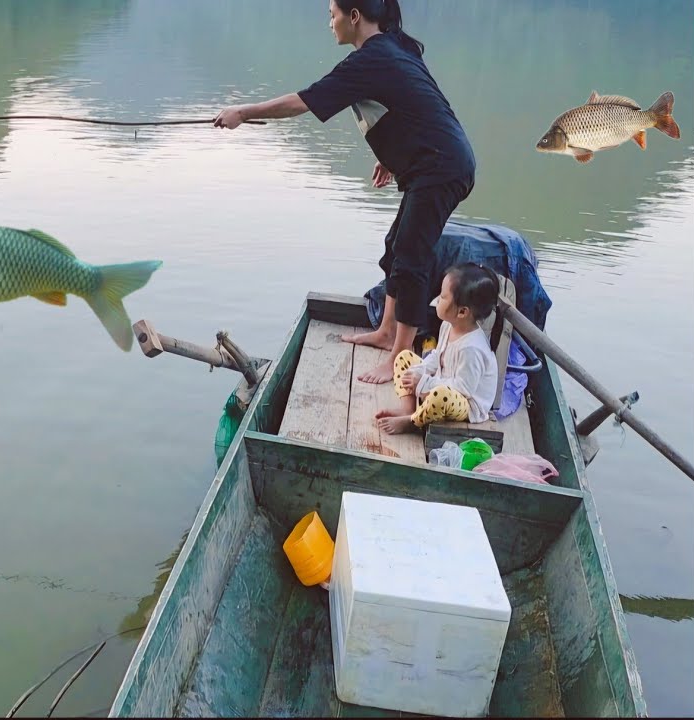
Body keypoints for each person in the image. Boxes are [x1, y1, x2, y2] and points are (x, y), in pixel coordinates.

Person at [213, 0, 477, 383]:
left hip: (441, 167)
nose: (330, 22)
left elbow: (300, 102)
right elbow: (413, 104)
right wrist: (390, 156)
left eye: (332, 14)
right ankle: (388, 332)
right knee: (396, 245)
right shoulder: (391, 48)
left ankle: (401, 358)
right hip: (434, 162)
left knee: (411, 256)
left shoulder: (371, 59)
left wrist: (243, 112)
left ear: (354, 17)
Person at [375, 263, 499, 435]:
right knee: (403, 358)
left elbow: (464, 389)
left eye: (442, 296)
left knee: (441, 396)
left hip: (465, 404)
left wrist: (425, 382)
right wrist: (419, 371)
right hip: (442, 380)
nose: (437, 300)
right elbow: (437, 356)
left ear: (462, 312)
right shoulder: (448, 325)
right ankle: (408, 409)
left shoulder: (472, 348)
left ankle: (412, 422)